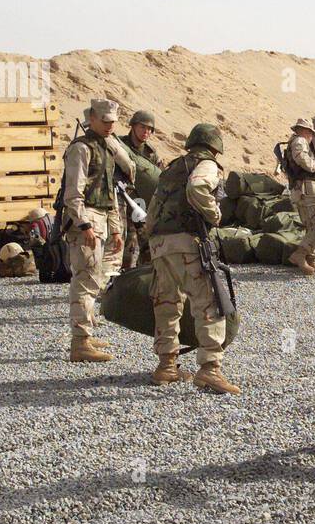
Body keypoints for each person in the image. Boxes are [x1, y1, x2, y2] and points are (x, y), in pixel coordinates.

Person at [145, 123, 241, 395]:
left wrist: (151, 240)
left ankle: (166, 365)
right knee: (208, 303)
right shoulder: (207, 166)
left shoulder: (171, 169)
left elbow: (152, 210)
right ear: (214, 147)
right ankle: (210, 369)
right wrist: (215, 215)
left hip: (160, 244)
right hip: (188, 243)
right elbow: (198, 189)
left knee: (166, 303)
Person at [61, 99, 129, 363]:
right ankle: (80, 343)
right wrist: (84, 224)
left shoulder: (106, 147)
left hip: (100, 220)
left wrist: (115, 230)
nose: (110, 126)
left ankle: (86, 334)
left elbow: (109, 192)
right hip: (86, 222)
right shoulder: (81, 149)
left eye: (113, 122)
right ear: (92, 119)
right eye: (105, 121)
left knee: (95, 279)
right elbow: (73, 193)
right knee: (85, 281)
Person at [284, 118, 315, 275]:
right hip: (309, 188)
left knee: (310, 225)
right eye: (311, 132)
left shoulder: (293, 141)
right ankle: (300, 255)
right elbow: (301, 158)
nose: (312, 135)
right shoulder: (299, 141)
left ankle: (312, 261)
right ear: (305, 131)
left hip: (300, 188)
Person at [122, 110, 163, 270]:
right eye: (142, 127)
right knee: (126, 246)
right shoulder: (120, 146)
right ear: (133, 126)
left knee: (147, 247)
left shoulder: (151, 154)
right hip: (124, 203)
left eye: (149, 129)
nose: (146, 132)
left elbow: (158, 179)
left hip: (143, 205)